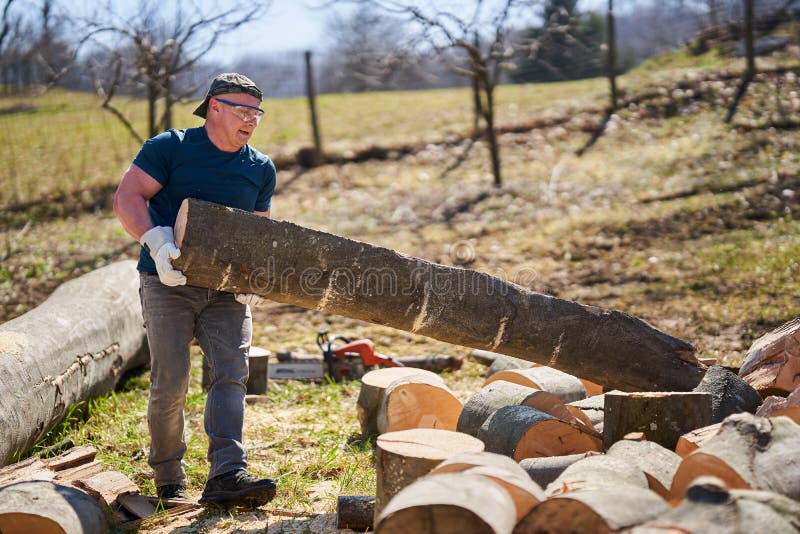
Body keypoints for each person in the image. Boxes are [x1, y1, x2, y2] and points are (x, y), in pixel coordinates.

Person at [113, 73, 277, 507]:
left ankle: (227, 473)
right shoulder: (170, 148)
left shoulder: (260, 168)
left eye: (256, 113)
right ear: (214, 107)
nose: (251, 120)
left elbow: (258, 232)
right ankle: (169, 477)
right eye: (242, 110)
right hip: (167, 282)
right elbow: (128, 197)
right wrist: (155, 241)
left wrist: (254, 277)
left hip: (226, 291)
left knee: (231, 373)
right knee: (171, 381)